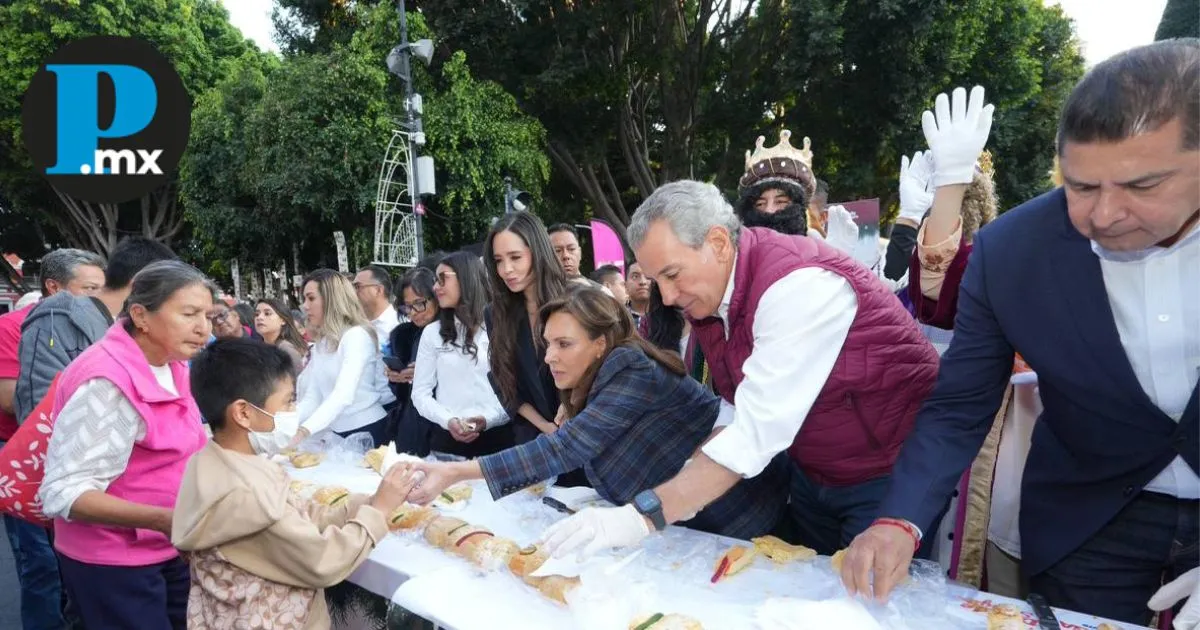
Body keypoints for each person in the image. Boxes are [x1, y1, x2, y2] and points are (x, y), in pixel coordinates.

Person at [839, 40, 1199, 627]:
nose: (1104, 214)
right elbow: (959, 404)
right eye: (1081, 187)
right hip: (1090, 520)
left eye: (1142, 186)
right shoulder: (1012, 252)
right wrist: (898, 519)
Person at [539, 180, 939, 560]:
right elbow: (735, 402)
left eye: (672, 274)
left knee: (868, 603)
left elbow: (755, 432)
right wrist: (691, 472)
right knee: (813, 589)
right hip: (813, 472)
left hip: (888, 472)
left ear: (717, 243)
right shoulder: (712, 295)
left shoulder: (797, 285)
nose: (667, 296)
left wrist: (643, 514)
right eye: (657, 279)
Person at [408, 286, 785, 540]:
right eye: (548, 343)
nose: (550, 355)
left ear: (601, 343)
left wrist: (455, 472)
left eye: (564, 344)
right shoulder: (595, 377)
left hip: (733, 519)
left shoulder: (629, 366)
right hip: (683, 523)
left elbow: (565, 449)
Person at [173, 338, 420, 630]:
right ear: (243, 413)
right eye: (288, 401)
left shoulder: (215, 462)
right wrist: (377, 512)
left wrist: (366, 503)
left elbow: (299, 514)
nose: (295, 410)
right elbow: (324, 561)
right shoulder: (246, 494)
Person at [37, 261, 215, 630]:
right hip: (114, 561)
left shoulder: (174, 365)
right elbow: (63, 492)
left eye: (208, 315)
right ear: (141, 315)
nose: (204, 328)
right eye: (189, 314)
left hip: (169, 547)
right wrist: (162, 519)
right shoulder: (107, 382)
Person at [1, 248, 105, 630]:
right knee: (40, 564)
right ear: (53, 287)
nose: (99, 298)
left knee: (71, 562)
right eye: (89, 288)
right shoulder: (14, 327)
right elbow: (13, 401)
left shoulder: (98, 323)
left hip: (78, 463)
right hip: (27, 459)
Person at [15, 237, 176, 426]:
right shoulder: (54, 322)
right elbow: (39, 414)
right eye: (168, 293)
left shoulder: (136, 327)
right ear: (140, 284)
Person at [485, 212, 591, 488]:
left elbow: (603, 364)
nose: (506, 269)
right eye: (498, 261)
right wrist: (545, 428)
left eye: (515, 257)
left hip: (587, 435)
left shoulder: (577, 300)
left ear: (537, 252)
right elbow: (501, 380)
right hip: (532, 440)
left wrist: (573, 407)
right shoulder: (496, 313)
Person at [411, 252, 512, 457]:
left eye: (442, 279)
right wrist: (448, 420)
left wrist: (488, 419)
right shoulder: (432, 333)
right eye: (435, 281)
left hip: (499, 442)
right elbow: (420, 393)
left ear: (467, 278)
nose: (436, 287)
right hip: (446, 442)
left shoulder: (503, 327)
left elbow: (516, 391)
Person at [293, 269, 390, 447]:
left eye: (311, 298)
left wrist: (304, 430)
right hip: (336, 432)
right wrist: (284, 423)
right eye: (304, 299)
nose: (305, 306)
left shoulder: (356, 336)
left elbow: (343, 394)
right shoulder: (322, 343)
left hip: (368, 430)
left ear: (331, 299)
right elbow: (313, 396)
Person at [386, 267, 440, 454]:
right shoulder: (402, 336)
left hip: (446, 427)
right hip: (411, 427)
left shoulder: (455, 331)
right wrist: (396, 378)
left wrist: (429, 373)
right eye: (407, 306)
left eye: (419, 303)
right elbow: (402, 395)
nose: (413, 312)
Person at [735, 130, 815, 236]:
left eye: (780, 201)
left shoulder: (816, 250)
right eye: (760, 204)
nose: (769, 210)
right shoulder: (735, 251)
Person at [354, 264, 400, 351]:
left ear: (379, 290)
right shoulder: (354, 325)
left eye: (358, 287)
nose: (354, 292)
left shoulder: (397, 325)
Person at [255, 297, 307, 368]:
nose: (259, 317)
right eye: (256, 314)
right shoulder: (259, 347)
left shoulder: (286, 350)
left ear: (283, 320)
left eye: (267, 313)